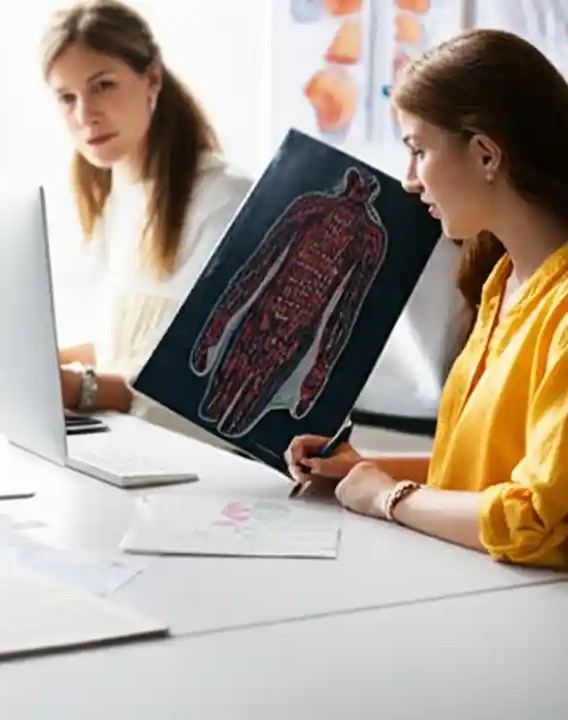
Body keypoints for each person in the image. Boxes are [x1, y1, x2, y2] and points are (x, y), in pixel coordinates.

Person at [286, 29, 568, 570]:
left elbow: (534, 517)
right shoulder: (503, 280)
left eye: (418, 150)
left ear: (486, 154)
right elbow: (483, 472)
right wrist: (365, 468)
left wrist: (388, 498)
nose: (409, 181)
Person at [41, 0, 251, 438]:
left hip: (194, 460)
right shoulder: (111, 192)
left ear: (151, 78)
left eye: (103, 86)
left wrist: (79, 387)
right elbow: (125, 345)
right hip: (127, 440)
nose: (86, 116)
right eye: (67, 97)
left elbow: (205, 387)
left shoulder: (224, 202)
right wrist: (34, 362)